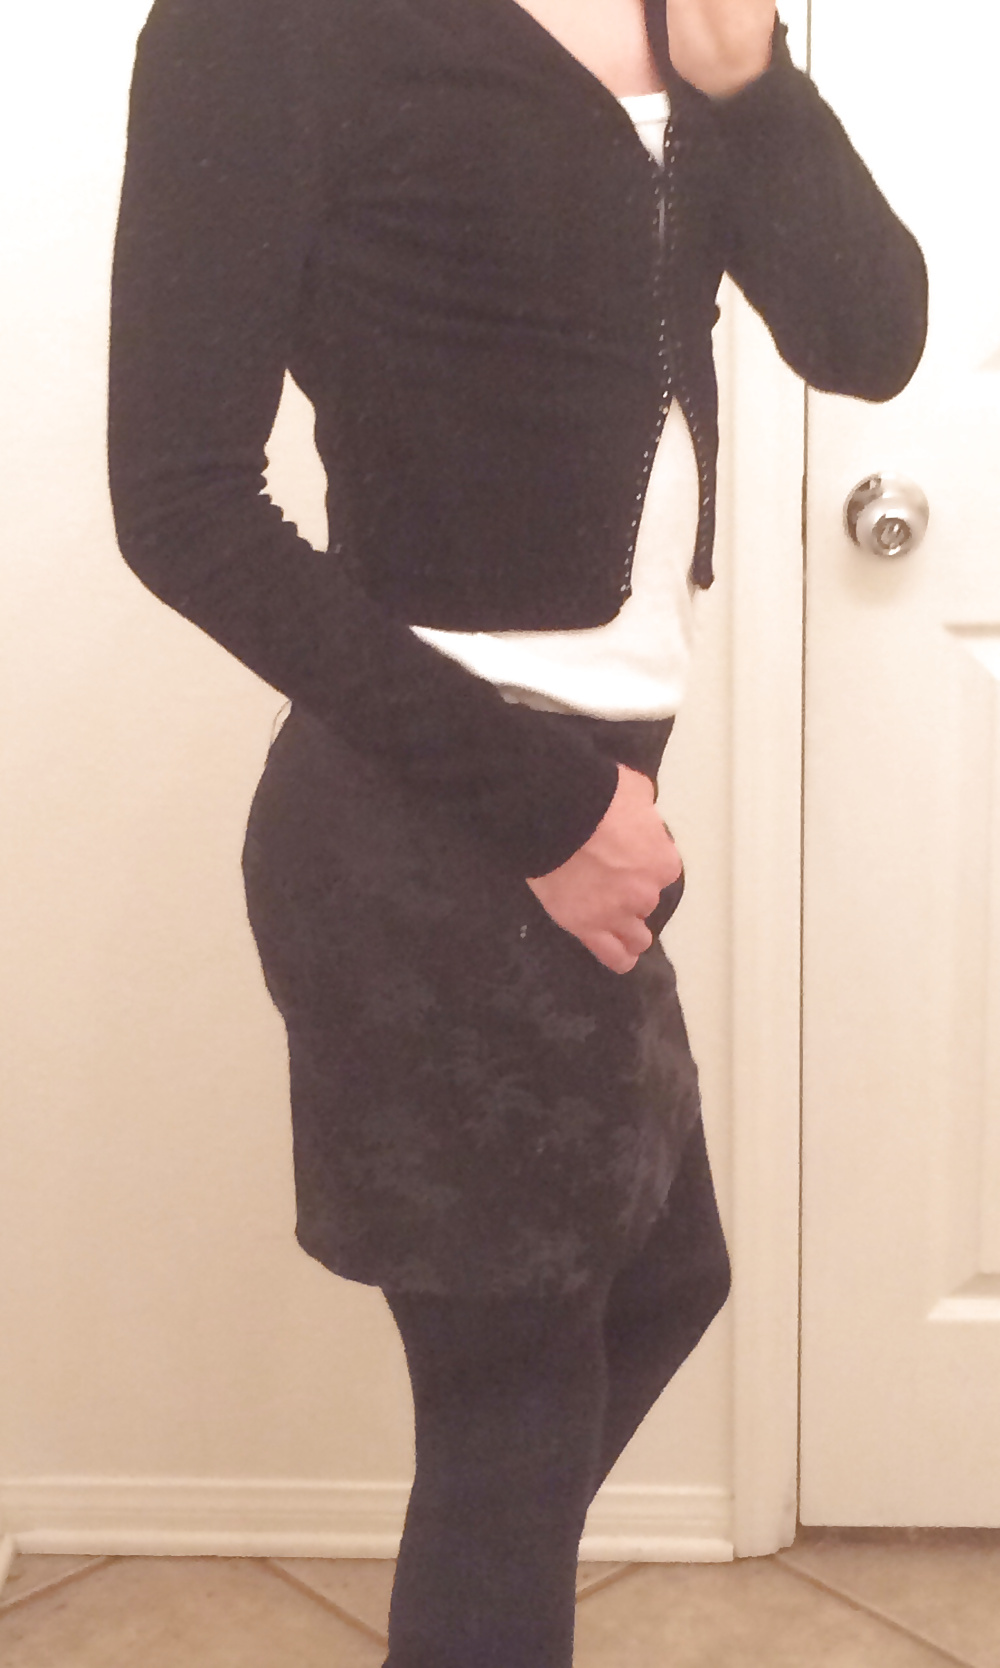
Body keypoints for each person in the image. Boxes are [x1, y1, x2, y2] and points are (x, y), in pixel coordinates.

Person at [108, 1, 927, 1662]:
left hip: (585, 802)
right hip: (428, 813)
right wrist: (550, 813)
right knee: (510, 1418)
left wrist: (752, 81)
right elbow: (178, 500)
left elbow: (869, 337)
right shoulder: (265, 25)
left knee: (653, 1294)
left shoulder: (690, 23)